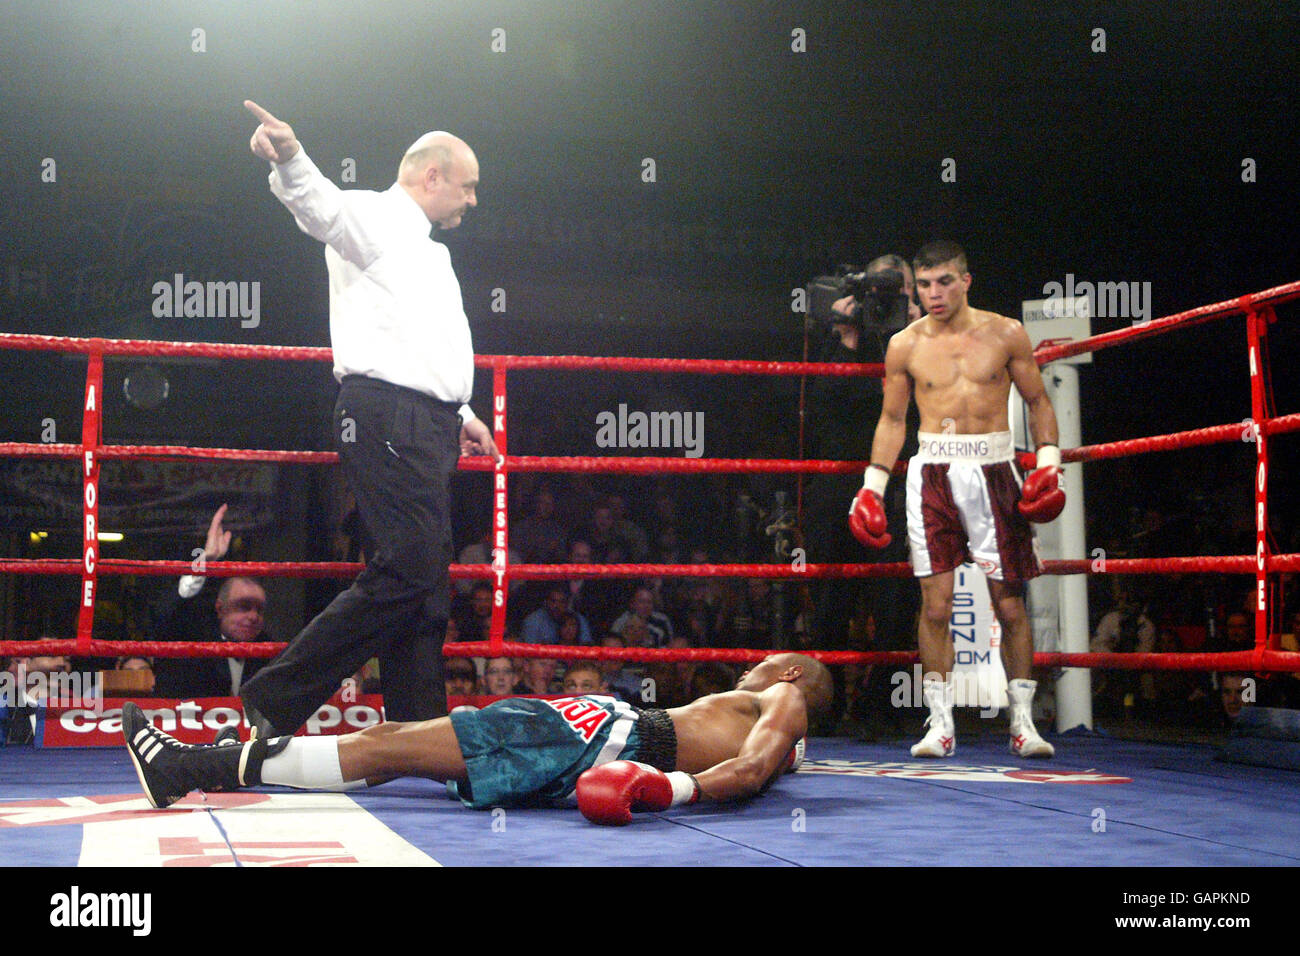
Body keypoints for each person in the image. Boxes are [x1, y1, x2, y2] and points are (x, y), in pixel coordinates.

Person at [235, 101, 500, 739]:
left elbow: (419, 339)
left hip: (427, 423)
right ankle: (273, 696)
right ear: (432, 176)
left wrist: (460, 411)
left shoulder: (429, 252)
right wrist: (293, 157)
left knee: (427, 586)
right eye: (467, 187)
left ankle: (418, 734)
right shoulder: (377, 217)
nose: (472, 202)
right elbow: (319, 207)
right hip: (386, 415)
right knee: (408, 567)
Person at [121, 653, 830, 825]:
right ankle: (197, 765)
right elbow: (765, 765)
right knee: (396, 740)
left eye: (766, 660)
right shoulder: (780, 720)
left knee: (391, 747)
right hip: (607, 739)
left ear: (792, 672)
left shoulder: (785, 694)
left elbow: (754, 765)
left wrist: (669, 787)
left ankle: (188, 769)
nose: (752, 665)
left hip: (606, 737)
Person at [849, 240, 1064, 759]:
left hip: (995, 469)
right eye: (923, 285)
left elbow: (1037, 400)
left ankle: (1022, 723)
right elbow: (893, 419)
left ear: (966, 280)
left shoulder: (1006, 333)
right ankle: (940, 724)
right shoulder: (904, 344)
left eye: (944, 281)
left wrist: (1049, 464)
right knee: (935, 605)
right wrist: (873, 487)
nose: (933, 293)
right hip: (932, 474)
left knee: (1010, 604)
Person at [153, 505, 277, 699]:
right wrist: (206, 561)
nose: (253, 616)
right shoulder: (196, 637)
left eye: (259, 610)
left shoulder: (267, 650)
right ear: (220, 608)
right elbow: (165, 613)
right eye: (244, 606)